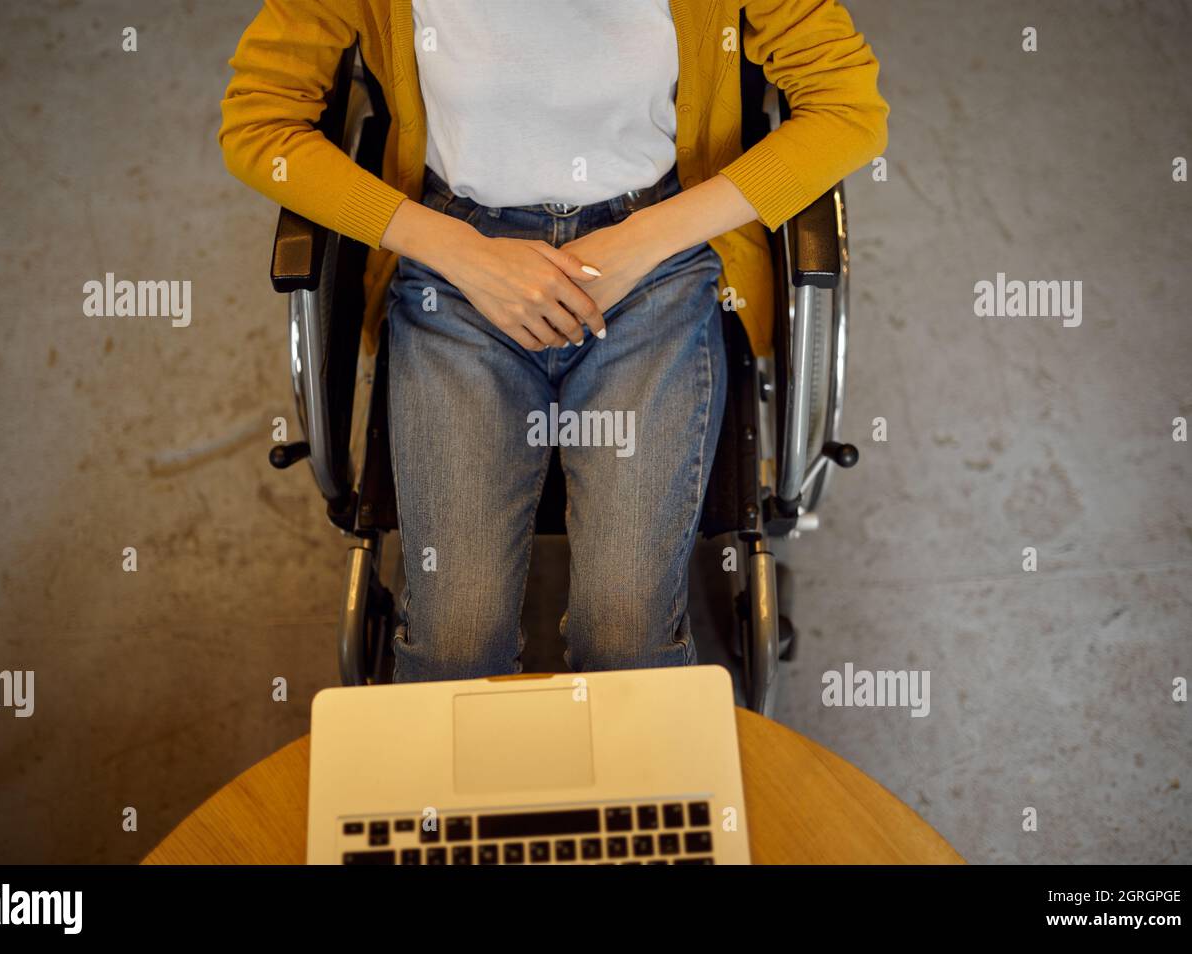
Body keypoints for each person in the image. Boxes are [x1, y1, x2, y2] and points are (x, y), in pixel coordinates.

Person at [218, 0, 888, 681]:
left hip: (654, 252)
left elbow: (847, 110)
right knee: (455, 646)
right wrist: (456, 250)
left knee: (628, 641)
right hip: (457, 263)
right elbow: (259, 121)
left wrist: (638, 245)